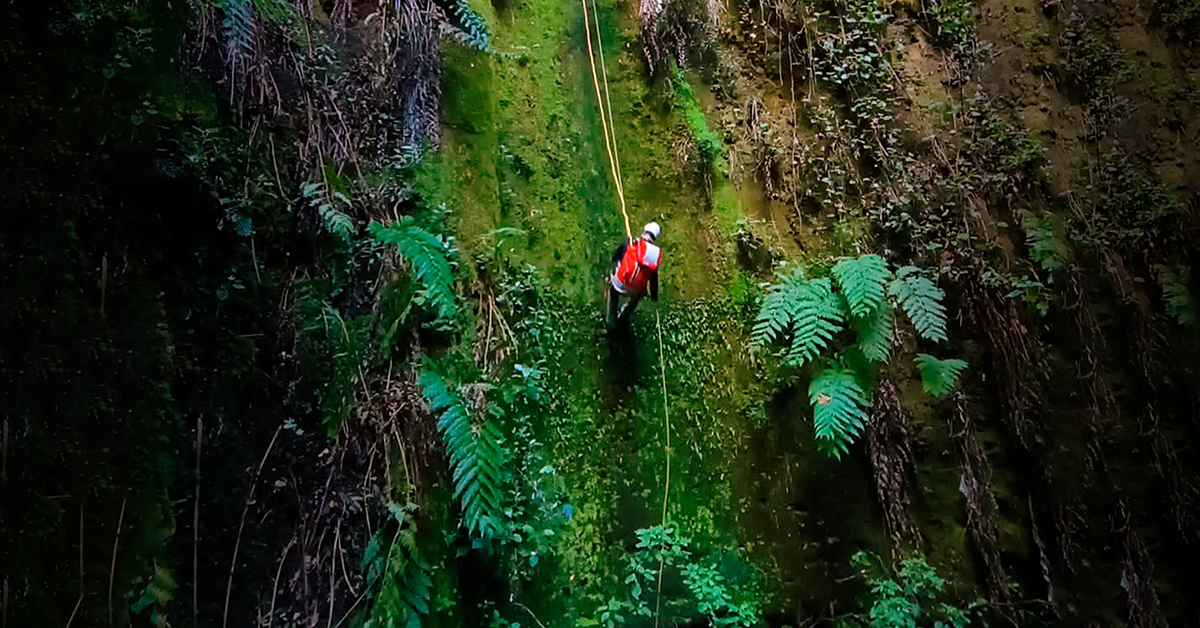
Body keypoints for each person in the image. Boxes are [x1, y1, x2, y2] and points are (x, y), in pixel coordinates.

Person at [607, 222, 662, 327]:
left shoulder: (631, 243)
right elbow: (653, 281)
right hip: (635, 292)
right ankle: (625, 314)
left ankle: (611, 318)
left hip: (620, 286)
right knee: (641, 293)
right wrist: (654, 298)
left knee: (613, 290)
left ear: (644, 233)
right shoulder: (654, 256)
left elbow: (615, 258)